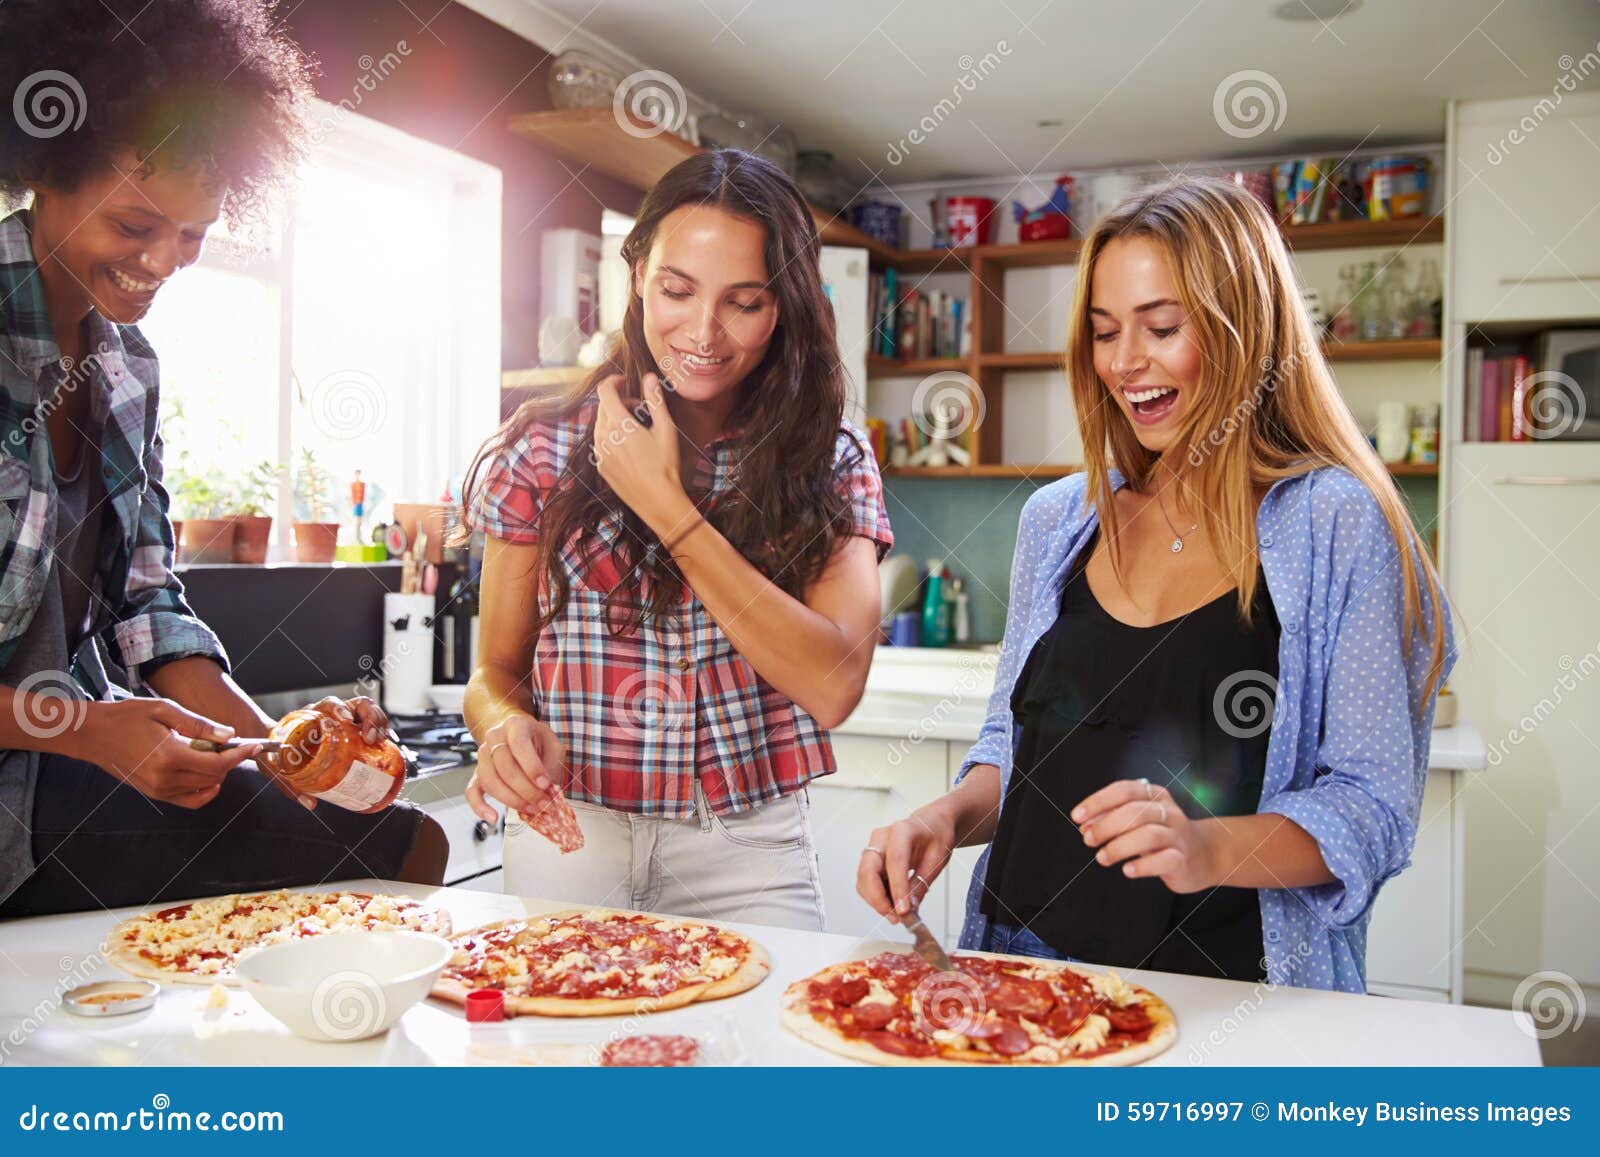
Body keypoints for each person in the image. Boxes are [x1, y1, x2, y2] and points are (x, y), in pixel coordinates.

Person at [859, 175, 1455, 992]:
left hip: (1224, 991)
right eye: (1105, 332)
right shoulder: (1059, 520)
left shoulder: (1334, 522)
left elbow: (1374, 807)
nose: (1125, 362)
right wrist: (943, 816)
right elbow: (1014, 747)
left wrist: (1208, 846)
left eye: (1162, 327)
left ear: (1245, 328)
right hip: (1022, 967)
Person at [0, 0, 446, 919]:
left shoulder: (126, 365)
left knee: (394, 836)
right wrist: (88, 730)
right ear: (44, 168)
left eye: (194, 234)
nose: (163, 262)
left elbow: (149, 613)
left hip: (68, 769)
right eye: (135, 226)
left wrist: (290, 746)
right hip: (32, 779)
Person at [461, 149, 891, 930]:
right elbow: (494, 670)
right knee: (558, 1048)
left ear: (786, 303)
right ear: (637, 273)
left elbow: (833, 685)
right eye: (677, 289)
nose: (703, 332)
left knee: (758, 1048)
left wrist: (668, 508)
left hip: (748, 850)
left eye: (744, 302)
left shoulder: (832, 457)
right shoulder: (544, 450)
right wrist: (504, 728)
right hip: (572, 835)